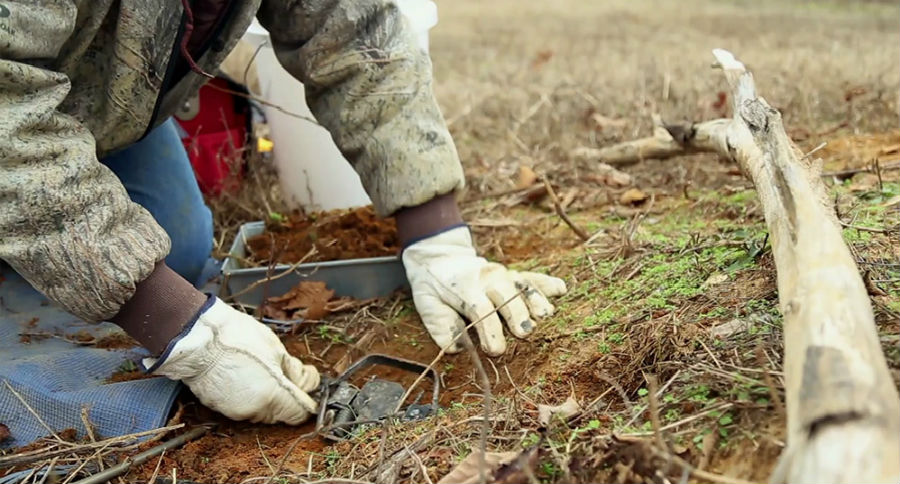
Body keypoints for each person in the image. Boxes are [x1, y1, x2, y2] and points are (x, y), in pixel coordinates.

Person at [0, 1, 566, 426]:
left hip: (95, 102)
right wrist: (179, 328)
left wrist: (435, 231)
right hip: (14, 102)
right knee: (125, 279)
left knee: (181, 246)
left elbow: (354, 30)